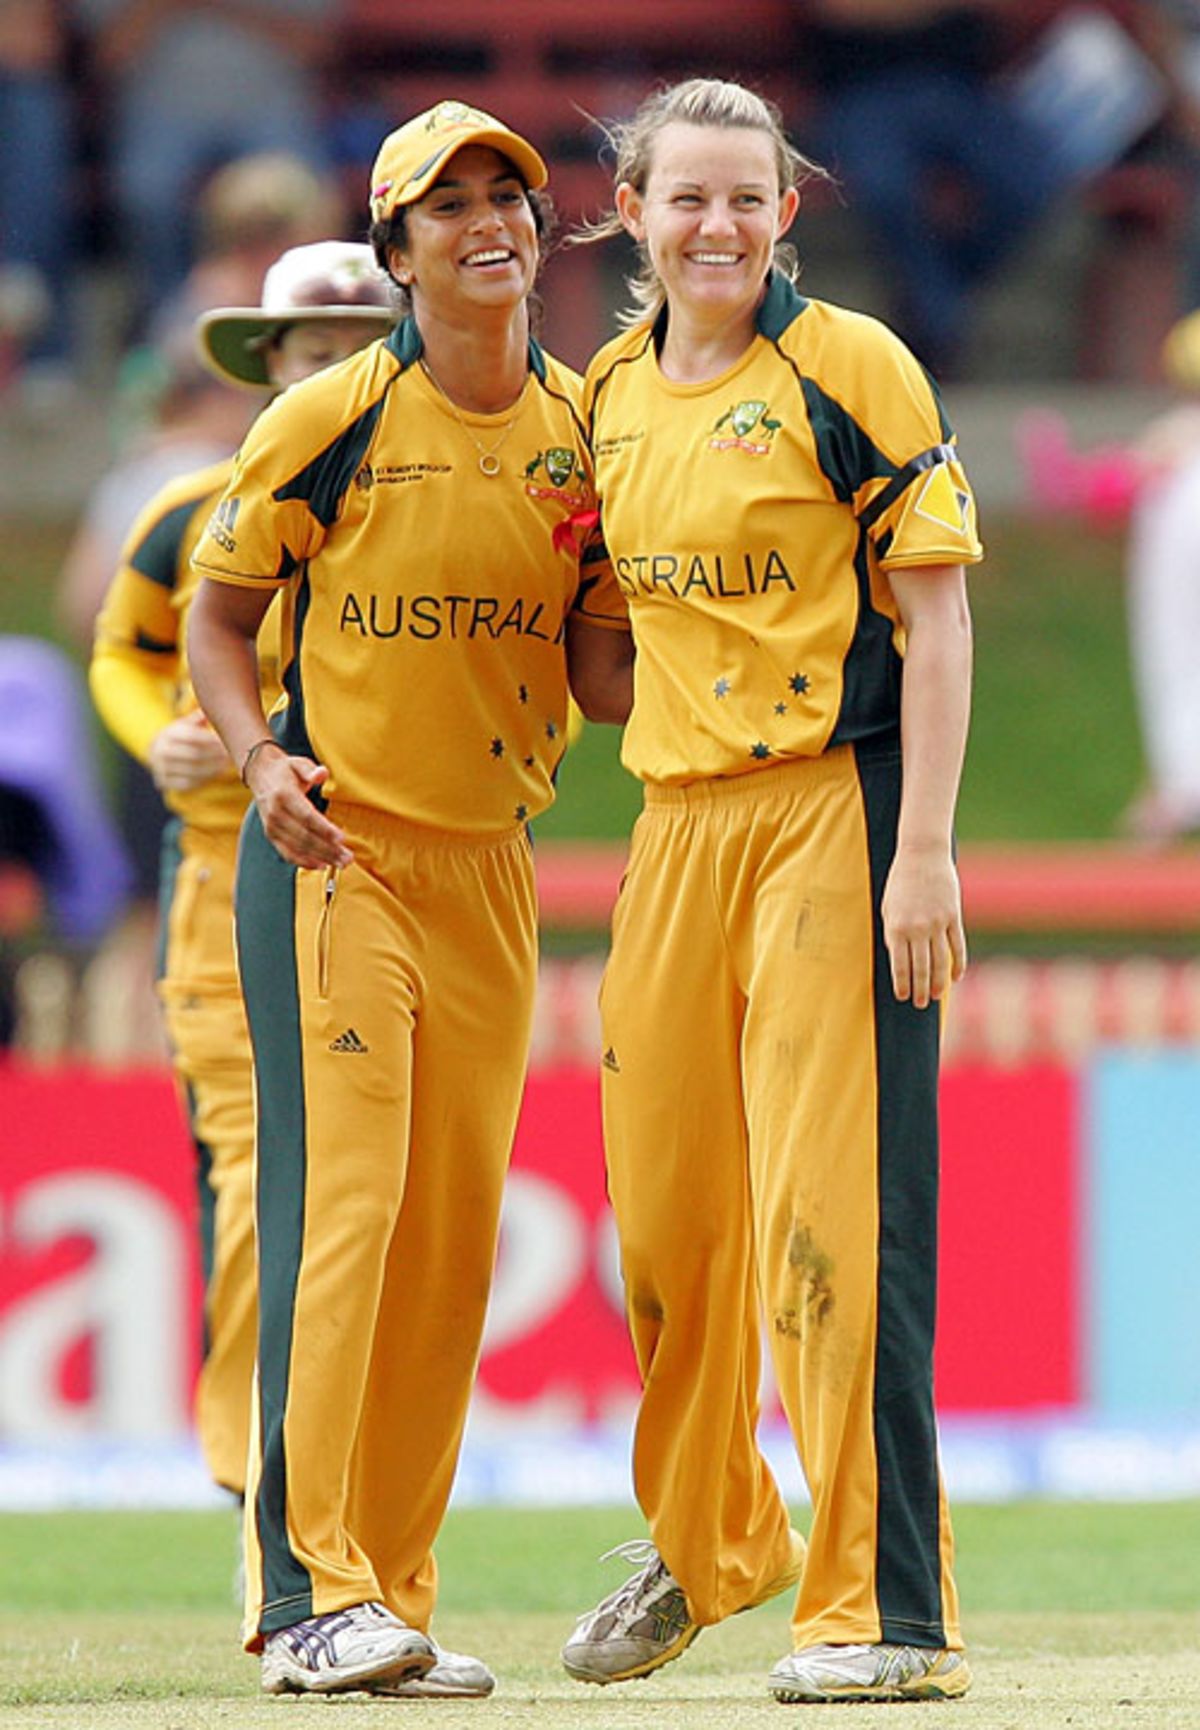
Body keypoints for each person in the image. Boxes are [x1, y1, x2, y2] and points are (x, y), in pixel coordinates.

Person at [185, 100, 631, 1698]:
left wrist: (734, 623)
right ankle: (305, 1593)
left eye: (508, 192)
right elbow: (218, 622)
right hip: (339, 852)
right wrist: (260, 762)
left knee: (448, 1247)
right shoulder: (330, 416)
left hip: (490, 865)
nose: (487, 219)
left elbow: (602, 676)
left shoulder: (591, 429)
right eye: (447, 204)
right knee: (344, 1216)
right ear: (397, 250)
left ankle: (388, 1592)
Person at [558, 77, 980, 1706]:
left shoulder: (850, 365)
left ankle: (885, 1610)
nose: (718, 225)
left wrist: (923, 848)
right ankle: (714, 1533)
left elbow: (936, 619)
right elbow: (602, 641)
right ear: (633, 214)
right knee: (668, 1224)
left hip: (832, 808)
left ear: (786, 211)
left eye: (748, 197)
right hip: (674, 824)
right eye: (688, 198)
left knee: (833, 1220)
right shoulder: (606, 390)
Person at [88, 240, 399, 1504]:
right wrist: (152, 736)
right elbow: (124, 649)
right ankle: (255, 1473)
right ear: (269, 366)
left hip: (388, 873)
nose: (334, 379)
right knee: (253, 1169)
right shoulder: (188, 512)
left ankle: (347, 1467)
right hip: (222, 871)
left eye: (360, 356)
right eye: (314, 354)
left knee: (371, 1186)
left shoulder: (431, 520)